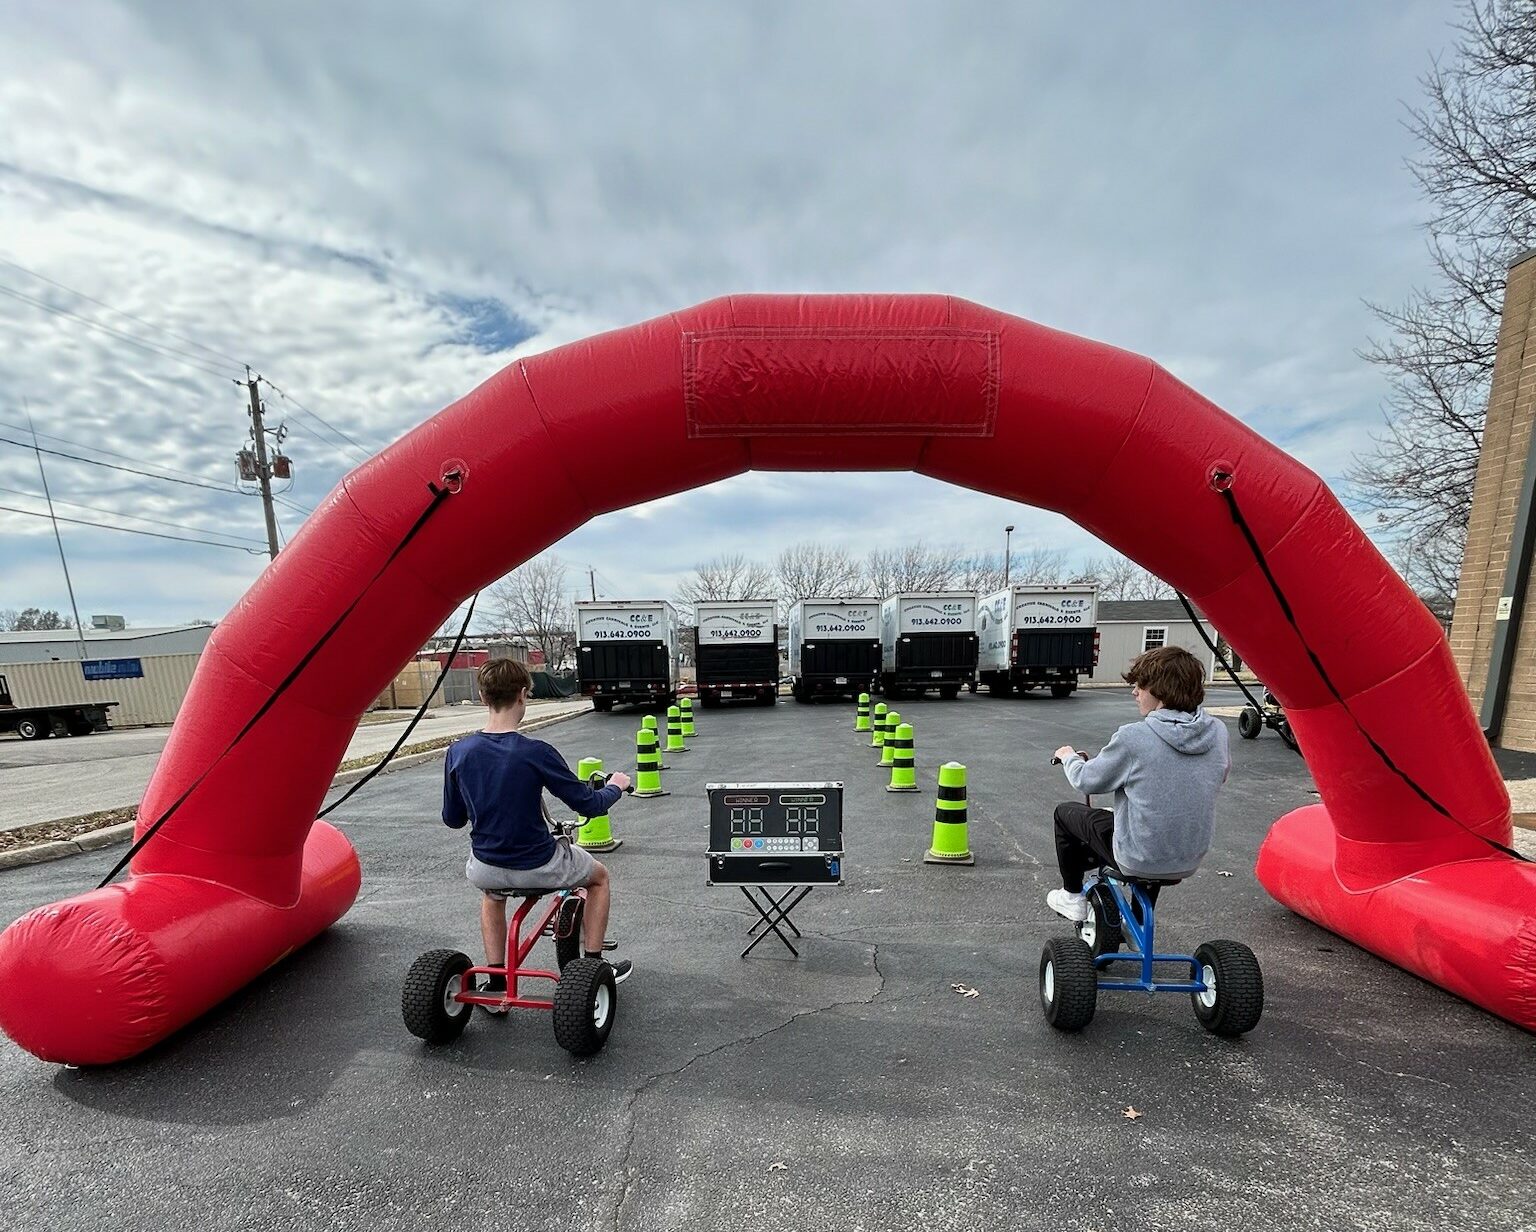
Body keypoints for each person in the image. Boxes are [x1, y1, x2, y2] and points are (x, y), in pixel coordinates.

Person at [443, 658, 633, 997]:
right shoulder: (535, 752)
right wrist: (616, 786)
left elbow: (453, 819)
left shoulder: (459, 752)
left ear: (483, 697)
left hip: (486, 867)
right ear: (522, 695)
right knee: (599, 877)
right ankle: (594, 965)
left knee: (492, 895)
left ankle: (496, 980)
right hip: (538, 865)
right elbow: (589, 805)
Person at [1048, 645, 1229, 923]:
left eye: (1140, 686)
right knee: (1150, 827)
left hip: (1138, 857)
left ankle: (1071, 896)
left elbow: (1086, 780)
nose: (1134, 692)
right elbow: (1217, 776)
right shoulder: (1217, 731)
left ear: (1160, 691)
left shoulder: (1134, 737)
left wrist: (1068, 757)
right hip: (1187, 856)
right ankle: (1138, 921)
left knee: (1065, 814)